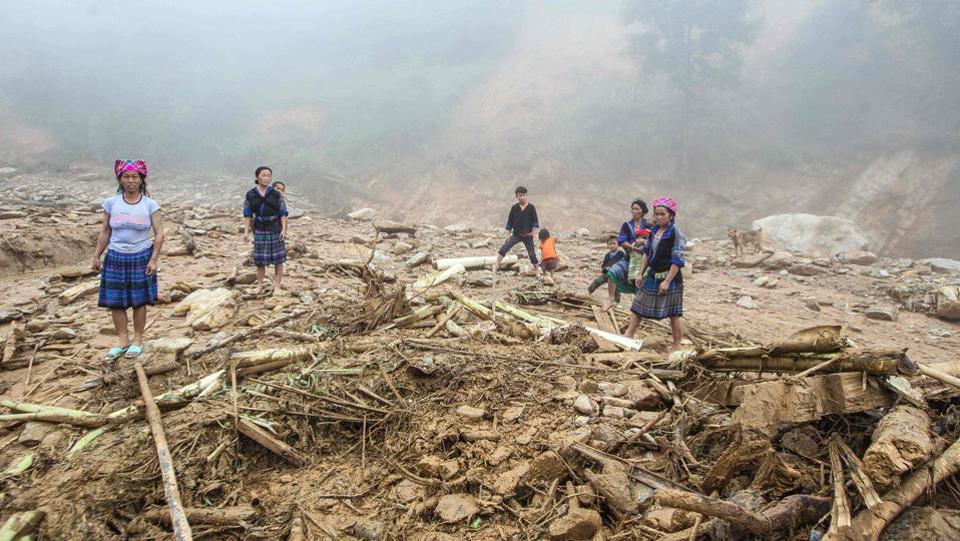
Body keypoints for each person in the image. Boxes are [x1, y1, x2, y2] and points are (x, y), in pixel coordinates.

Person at [91, 159, 164, 360]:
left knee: (139, 301)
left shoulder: (150, 205)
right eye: (126, 177)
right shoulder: (111, 203)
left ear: (141, 180)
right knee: (116, 302)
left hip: (141, 255)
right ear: (120, 179)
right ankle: (122, 340)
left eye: (135, 177)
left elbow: (159, 234)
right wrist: (96, 255)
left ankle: (138, 339)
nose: (130, 180)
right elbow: (105, 230)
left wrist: (154, 259)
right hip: (115, 255)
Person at [624, 196, 686, 351]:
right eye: (656, 214)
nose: (658, 217)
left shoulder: (675, 233)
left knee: (674, 312)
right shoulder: (654, 230)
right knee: (637, 305)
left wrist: (667, 281)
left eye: (662, 214)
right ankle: (628, 334)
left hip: (670, 277)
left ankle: (677, 344)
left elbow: (677, 260)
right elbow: (647, 252)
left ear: (671, 215)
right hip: (653, 274)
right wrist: (640, 273)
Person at [243, 166, 288, 295]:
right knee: (259, 260)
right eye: (263, 175)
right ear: (257, 177)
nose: (266, 178)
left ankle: (277, 287)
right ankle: (259, 286)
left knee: (278, 260)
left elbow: (283, 213)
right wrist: (246, 231)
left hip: (275, 227)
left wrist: (284, 230)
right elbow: (247, 214)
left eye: (269, 175)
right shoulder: (251, 194)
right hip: (259, 228)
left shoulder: (276, 194)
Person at [602, 199, 650, 309]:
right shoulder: (627, 225)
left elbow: (655, 239)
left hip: (645, 260)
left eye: (637, 209)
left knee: (641, 280)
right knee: (612, 272)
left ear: (642, 211)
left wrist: (644, 243)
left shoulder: (649, 224)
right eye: (633, 208)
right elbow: (621, 240)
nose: (634, 211)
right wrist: (633, 247)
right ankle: (611, 300)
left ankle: (639, 307)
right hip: (629, 258)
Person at [495, 186, 539, 275]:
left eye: (523, 195)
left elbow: (535, 221)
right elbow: (510, 222)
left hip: (528, 235)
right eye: (520, 195)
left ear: (526, 195)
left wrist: (533, 233)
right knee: (504, 248)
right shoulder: (514, 208)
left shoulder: (531, 208)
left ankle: (537, 270)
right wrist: (508, 235)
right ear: (516, 196)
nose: (522, 197)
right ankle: (496, 266)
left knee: (532, 254)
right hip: (516, 235)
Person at [588, 235, 625, 302]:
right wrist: (604, 269)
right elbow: (604, 264)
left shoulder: (621, 253)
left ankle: (617, 301)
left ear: (618, 245)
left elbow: (623, 263)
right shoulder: (607, 255)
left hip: (616, 273)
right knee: (597, 281)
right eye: (610, 244)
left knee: (616, 288)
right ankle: (589, 291)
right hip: (607, 272)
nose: (612, 245)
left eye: (614, 243)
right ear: (607, 245)